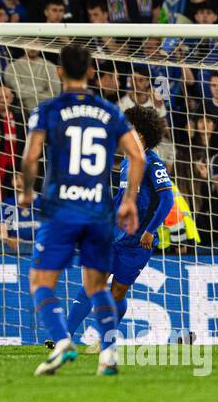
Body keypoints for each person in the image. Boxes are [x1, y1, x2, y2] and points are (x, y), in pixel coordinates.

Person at [19, 43, 143, 377]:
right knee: (96, 286)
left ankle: (61, 342)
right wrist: (129, 199)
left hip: (61, 209)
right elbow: (138, 156)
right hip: (99, 212)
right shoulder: (111, 112)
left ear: (59, 71)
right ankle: (109, 354)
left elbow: (31, 157)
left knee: (41, 281)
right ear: (91, 72)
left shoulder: (48, 110)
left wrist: (27, 192)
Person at [66, 106, 174, 356]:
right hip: (113, 237)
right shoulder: (127, 163)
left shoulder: (153, 163)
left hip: (138, 244)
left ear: (142, 136)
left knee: (118, 291)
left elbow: (167, 200)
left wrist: (150, 230)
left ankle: (105, 340)